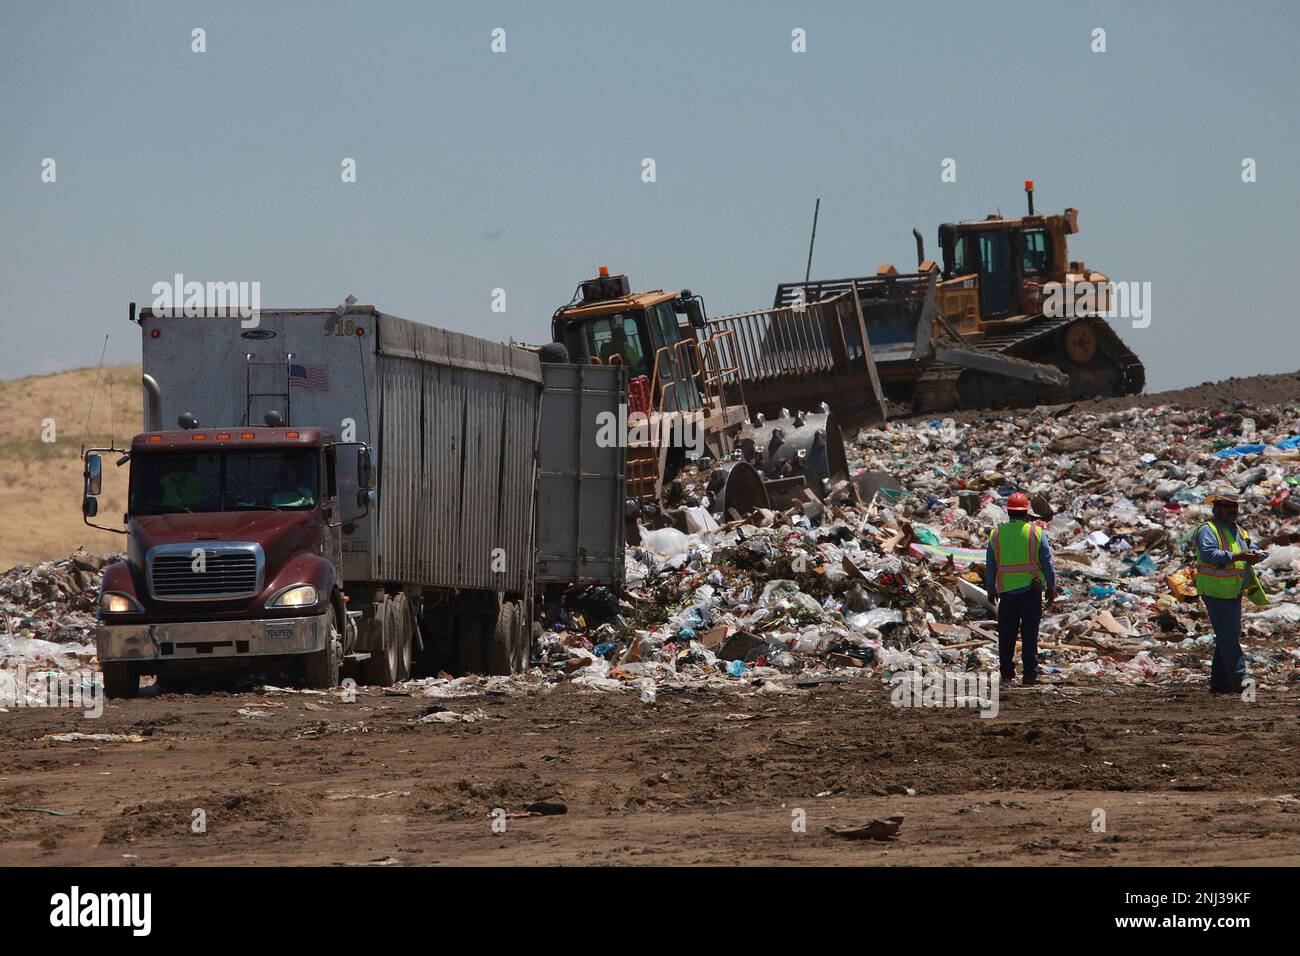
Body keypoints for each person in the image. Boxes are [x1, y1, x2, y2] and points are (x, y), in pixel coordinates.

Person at [1195, 486, 1268, 694]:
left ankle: (1219, 684)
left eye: (1234, 506)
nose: (1232, 510)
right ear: (1216, 507)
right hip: (1215, 590)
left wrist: (1258, 555)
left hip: (1233, 591)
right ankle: (1239, 679)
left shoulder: (1239, 531)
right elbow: (1209, 554)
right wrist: (1239, 557)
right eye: (1227, 506)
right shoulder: (1208, 529)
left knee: (1227, 634)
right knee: (1229, 634)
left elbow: (1252, 550)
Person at [985, 492, 1056, 686]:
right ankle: (1029, 676)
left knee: (1007, 635)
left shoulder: (997, 534)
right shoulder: (1036, 533)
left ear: (1008, 513)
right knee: (1029, 634)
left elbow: (990, 566)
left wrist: (991, 590)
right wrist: (1051, 587)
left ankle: (1007, 675)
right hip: (1031, 592)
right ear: (1026, 513)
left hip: (1006, 593)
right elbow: (1048, 562)